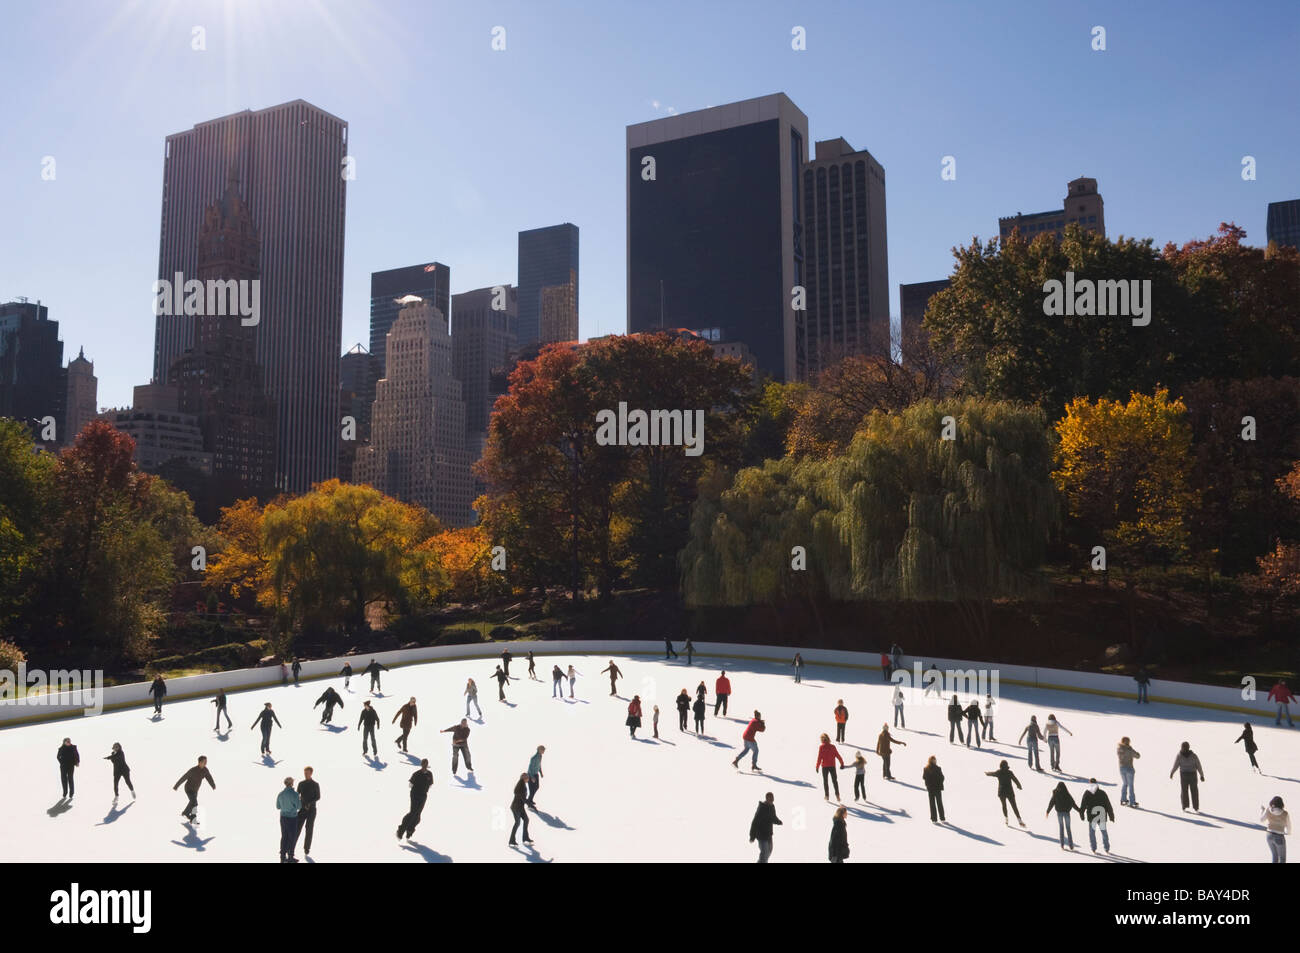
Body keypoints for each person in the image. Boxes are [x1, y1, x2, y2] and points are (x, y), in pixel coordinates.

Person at [396, 759, 434, 840]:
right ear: (421, 765)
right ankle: (401, 830)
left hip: (423, 796)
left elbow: (430, 785)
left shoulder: (430, 774)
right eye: (423, 764)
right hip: (415, 795)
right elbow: (410, 785)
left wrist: (424, 790)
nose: (425, 766)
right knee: (413, 812)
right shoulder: (416, 774)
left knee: (418, 814)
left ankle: (410, 830)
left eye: (426, 764)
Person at [173, 756, 216, 822]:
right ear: (199, 762)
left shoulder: (205, 770)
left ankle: (185, 813)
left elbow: (209, 778)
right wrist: (176, 786)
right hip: (188, 788)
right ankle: (193, 819)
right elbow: (184, 777)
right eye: (204, 762)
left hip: (195, 790)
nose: (205, 763)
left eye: (206, 762)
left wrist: (213, 785)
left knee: (192, 802)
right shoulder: (193, 770)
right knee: (194, 803)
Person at [1079, 778, 1115, 853]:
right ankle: (1107, 848)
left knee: (1092, 833)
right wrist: (1111, 816)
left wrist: (1082, 815)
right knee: (1104, 833)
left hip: (1092, 817)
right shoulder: (1102, 793)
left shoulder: (1087, 793)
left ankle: (1093, 848)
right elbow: (1108, 805)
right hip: (1101, 816)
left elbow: (1083, 805)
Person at [985, 760, 1024, 826]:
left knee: (1004, 806)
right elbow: (1015, 779)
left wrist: (987, 773)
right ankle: (1019, 821)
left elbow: (992, 773)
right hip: (1010, 792)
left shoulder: (999, 772)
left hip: (1001, 792)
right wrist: (1019, 786)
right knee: (1014, 806)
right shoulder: (1009, 772)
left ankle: (1006, 820)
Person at [1170, 741, 1205, 812]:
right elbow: (1176, 765)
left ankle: (1195, 807)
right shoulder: (1180, 755)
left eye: (1184, 747)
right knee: (1185, 790)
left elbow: (1198, 766)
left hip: (1191, 775)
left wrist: (1201, 775)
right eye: (1183, 747)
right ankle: (1185, 806)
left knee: (1193, 790)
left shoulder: (1193, 756)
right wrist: (1172, 772)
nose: (1184, 749)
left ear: (1188, 748)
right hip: (1185, 775)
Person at [749, 792, 782, 863]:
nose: (772, 800)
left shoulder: (772, 806)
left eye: (773, 798)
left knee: (769, 851)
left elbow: (773, 817)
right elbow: (755, 822)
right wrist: (752, 836)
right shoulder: (762, 808)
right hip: (761, 835)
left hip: (769, 834)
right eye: (770, 799)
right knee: (764, 854)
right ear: (766, 799)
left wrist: (778, 821)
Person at [276, 777, 302, 863]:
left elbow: (278, 806)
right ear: (291, 783)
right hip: (292, 818)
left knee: (284, 837)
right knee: (292, 837)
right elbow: (299, 807)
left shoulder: (280, 794)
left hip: (283, 818)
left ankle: (282, 857)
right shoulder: (295, 794)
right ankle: (290, 857)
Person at [1046, 781, 1078, 850]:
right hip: (1067, 813)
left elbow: (1051, 803)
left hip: (1059, 813)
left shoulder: (1056, 794)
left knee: (1061, 828)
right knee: (1068, 829)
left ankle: (1062, 845)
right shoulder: (1067, 794)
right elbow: (1073, 803)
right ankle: (1071, 846)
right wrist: (1079, 810)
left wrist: (1048, 811)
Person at [297, 766, 320, 856]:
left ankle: (307, 848)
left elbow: (318, 797)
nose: (305, 774)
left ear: (311, 773)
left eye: (307, 773)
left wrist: (309, 803)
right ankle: (292, 847)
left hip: (312, 810)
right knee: (297, 828)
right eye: (304, 773)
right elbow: (297, 795)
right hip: (302, 809)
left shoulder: (315, 784)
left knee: (309, 828)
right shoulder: (301, 783)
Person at [1261, 796, 1291, 863]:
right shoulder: (1285, 813)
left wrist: (1262, 811)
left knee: (1275, 856)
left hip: (1269, 835)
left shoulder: (1268, 810)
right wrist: (1288, 832)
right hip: (1279, 836)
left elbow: (1262, 820)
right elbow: (1288, 826)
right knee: (1282, 858)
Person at [816, 733, 845, 801]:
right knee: (835, 781)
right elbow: (838, 755)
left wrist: (817, 767)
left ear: (822, 739)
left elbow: (819, 758)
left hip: (825, 767)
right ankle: (837, 796)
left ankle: (827, 796)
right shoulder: (832, 747)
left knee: (825, 781)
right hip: (832, 766)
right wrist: (842, 763)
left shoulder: (821, 747)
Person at [509, 772, 532, 846]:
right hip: (516, 807)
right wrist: (529, 803)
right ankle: (512, 840)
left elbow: (523, 798)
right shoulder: (521, 785)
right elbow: (523, 798)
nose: (528, 778)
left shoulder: (522, 784)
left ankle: (525, 838)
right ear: (524, 778)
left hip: (520, 807)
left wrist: (528, 802)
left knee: (526, 820)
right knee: (517, 823)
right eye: (527, 777)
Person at [1117, 736, 1141, 807]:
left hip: (1121, 768)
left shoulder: (1119, 749)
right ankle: (1132, 802)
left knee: (1125, 783)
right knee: (1131, 785)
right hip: (1129, 768)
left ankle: (1123, 799)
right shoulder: (1129, 749)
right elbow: (1137, 756)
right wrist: (1135, 752)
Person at [922, 756, 946, 823]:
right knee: (938, 803)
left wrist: (928, 785)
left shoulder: (926, 768)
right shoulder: (937, 768)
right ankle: (941, 818)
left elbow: (924, 777)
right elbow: (942, 777)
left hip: (931, 788)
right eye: (934, 760)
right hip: (936, 788)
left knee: (933, 803)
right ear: (931, 761)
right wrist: (939, 783)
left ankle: (935, 819)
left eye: (935, 760)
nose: (935, 761)